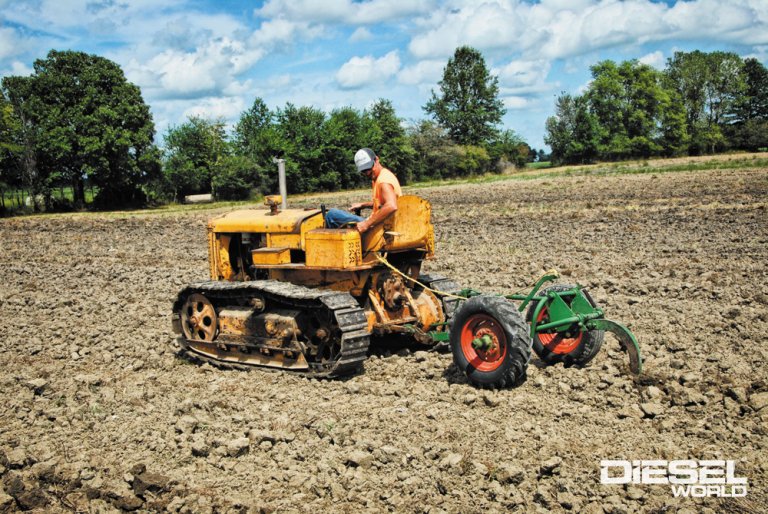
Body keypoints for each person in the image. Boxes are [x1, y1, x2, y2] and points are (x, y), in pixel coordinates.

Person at [325, 148, 402, 233]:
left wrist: (366, 224)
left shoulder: (384, 181)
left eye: (368, 168)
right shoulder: (382, 176)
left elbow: (391, 206)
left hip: (379, 227)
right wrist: (363, 205)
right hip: (383, 224)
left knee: (331, 215)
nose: (367, 173)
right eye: (364, 171)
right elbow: (382, 204)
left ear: (376, 160)